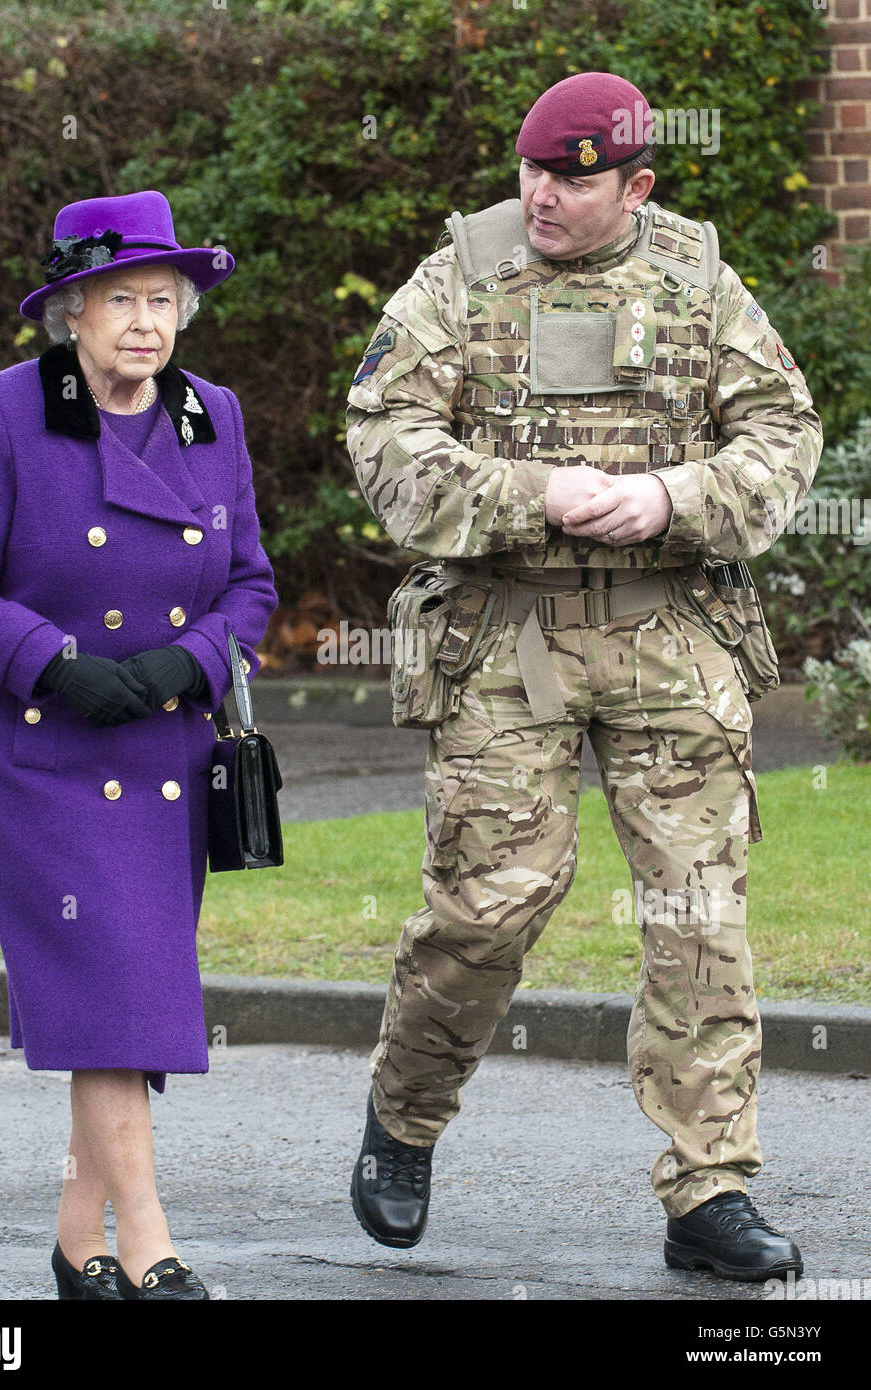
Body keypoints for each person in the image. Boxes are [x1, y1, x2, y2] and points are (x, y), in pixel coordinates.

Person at [345, 73, 821, 1282]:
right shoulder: (458, 275)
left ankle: (706, 1187)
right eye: (531, 171)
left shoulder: (697, 279)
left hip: (671, 640)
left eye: (573, 178)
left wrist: (671, 496)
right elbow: (385, 445)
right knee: (486, 909)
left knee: (694, 916)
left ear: (637, 185)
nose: (542, 196)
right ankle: (403, 1118)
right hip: (506, 639)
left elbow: (782, 434)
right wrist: (531, 494)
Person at [0, 190, 277, 1300]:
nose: (145, 322)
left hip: (161, 743)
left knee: (120, 998)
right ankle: (150, 1242)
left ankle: (80, 1246)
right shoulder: (5, 409)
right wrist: (53, 662)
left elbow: (253, 582)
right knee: (119, 986)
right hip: (42, 750)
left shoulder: (210, 413)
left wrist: (195, 662)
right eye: (121, 299)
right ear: (71, 310)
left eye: (163, 300)